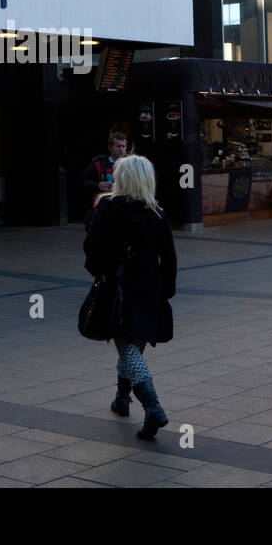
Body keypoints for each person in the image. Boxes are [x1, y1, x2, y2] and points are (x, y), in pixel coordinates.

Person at [83, 153, 177, 440]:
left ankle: (153, 407)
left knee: (127, 348)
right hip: (150, 290)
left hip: (119, 289)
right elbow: (169, 257)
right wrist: (166, 291)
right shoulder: (157, 213)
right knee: (132, 343)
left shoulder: (109, 208)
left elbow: (92, 250)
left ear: (121, 179)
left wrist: (99, 272)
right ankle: (122, 400)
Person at [81, 131, 129, 212]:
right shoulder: (98, 163)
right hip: (102, 207)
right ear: (110, 147)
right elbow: (83, 181)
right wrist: (97, 185)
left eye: (123, 146)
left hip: (125, 207)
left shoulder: (132, 165)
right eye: (117, 146)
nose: (121, 149)